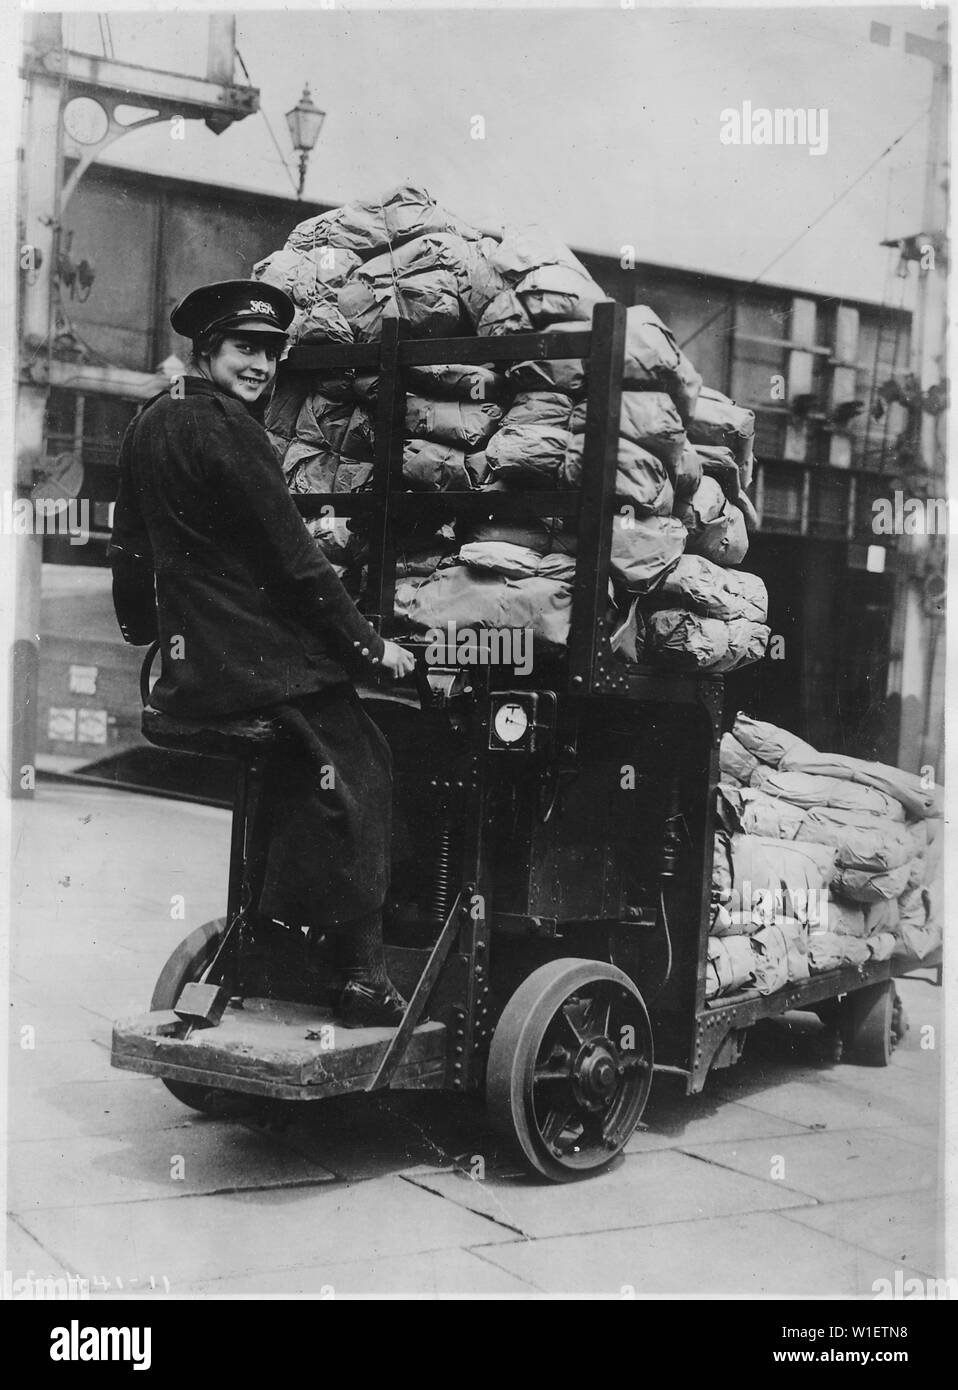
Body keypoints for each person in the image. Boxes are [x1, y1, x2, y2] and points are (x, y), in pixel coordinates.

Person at [109, 279, 416, 1026]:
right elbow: (296, 565)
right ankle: (364, 977)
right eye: (245, 349)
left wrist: (150, 633)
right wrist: (373, 649)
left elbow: (128, 550)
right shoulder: (230, 428)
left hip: (191, 673)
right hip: (254, 664)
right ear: (206, 349)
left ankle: (281, 932)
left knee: (299, 774)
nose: (261, 367)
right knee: (365, 767)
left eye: (271, 353)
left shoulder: (149, 422)